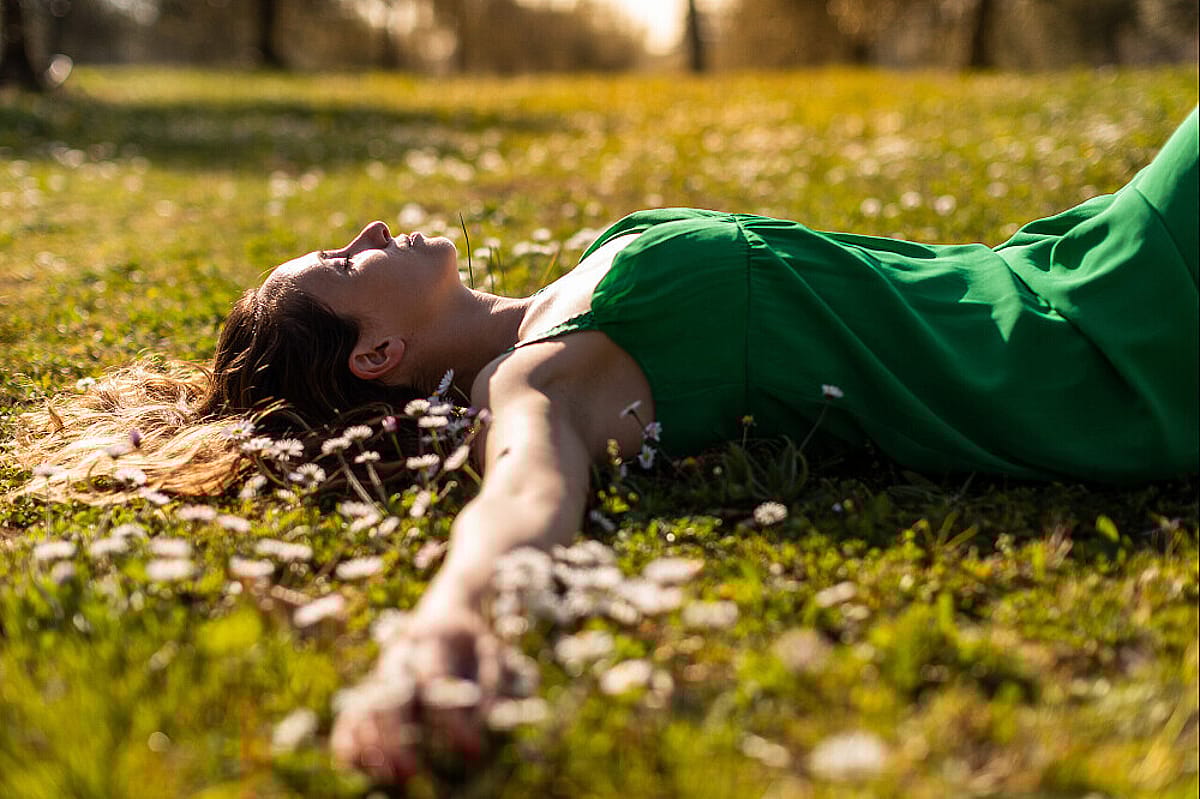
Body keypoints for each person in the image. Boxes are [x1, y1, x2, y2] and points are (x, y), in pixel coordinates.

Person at [13, 108, 1198, 780]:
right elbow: (524, 497)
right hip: (1101, 343)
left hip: (1063, 269)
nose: (366, 228)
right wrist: (449, 620)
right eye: (340, 263)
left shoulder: (561, 296)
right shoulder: (549, 375)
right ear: (373, 354)